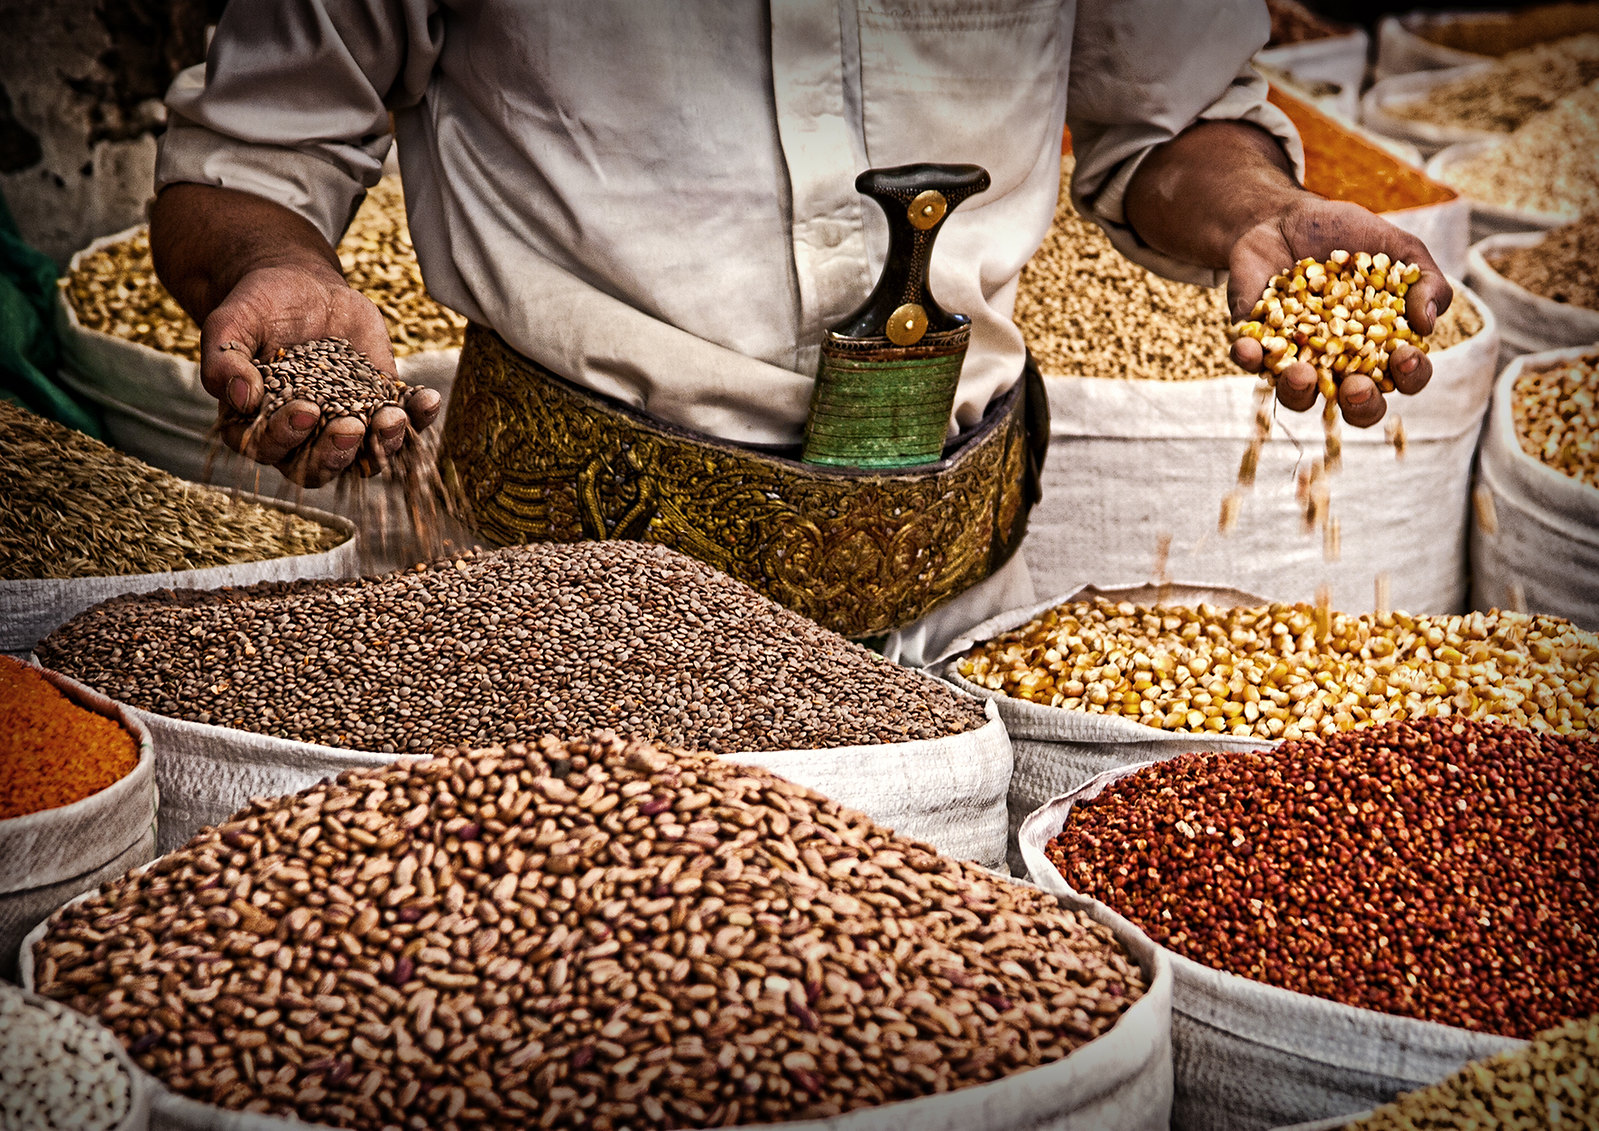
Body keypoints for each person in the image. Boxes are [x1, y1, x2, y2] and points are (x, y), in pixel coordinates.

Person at [148, 0, 1451, 661]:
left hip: (952, 566)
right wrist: (271, 261)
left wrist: (1256, 210)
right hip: (545, 592)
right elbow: (258, 150)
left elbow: (1168, 122)